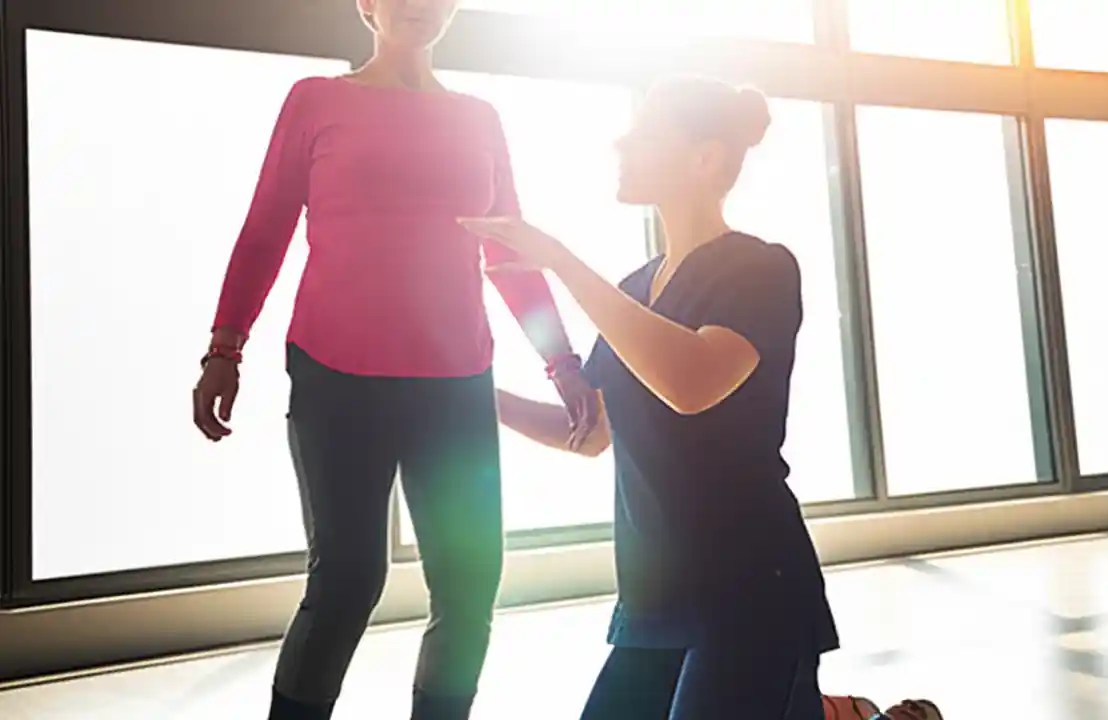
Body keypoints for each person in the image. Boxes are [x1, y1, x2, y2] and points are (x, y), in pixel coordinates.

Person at [461, 78, 942, 720]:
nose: (620, 142)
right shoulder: (634, 287)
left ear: (705, 157)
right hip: (653, 598)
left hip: (751, 587)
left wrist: (560, 262)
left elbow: (690, 384)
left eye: (645, 132)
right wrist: (469, 392)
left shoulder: (760, 269)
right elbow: (591, 432)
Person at [190, 1, 598, 719]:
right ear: (366, 5)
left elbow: (507, 253)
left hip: (456, 384)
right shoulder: (316, 101)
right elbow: (265, 231)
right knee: (348, 582)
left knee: (470, 588)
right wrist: (225, 346)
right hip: (337, 378)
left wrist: (560, 361)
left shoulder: (480, 117)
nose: (419, 5)